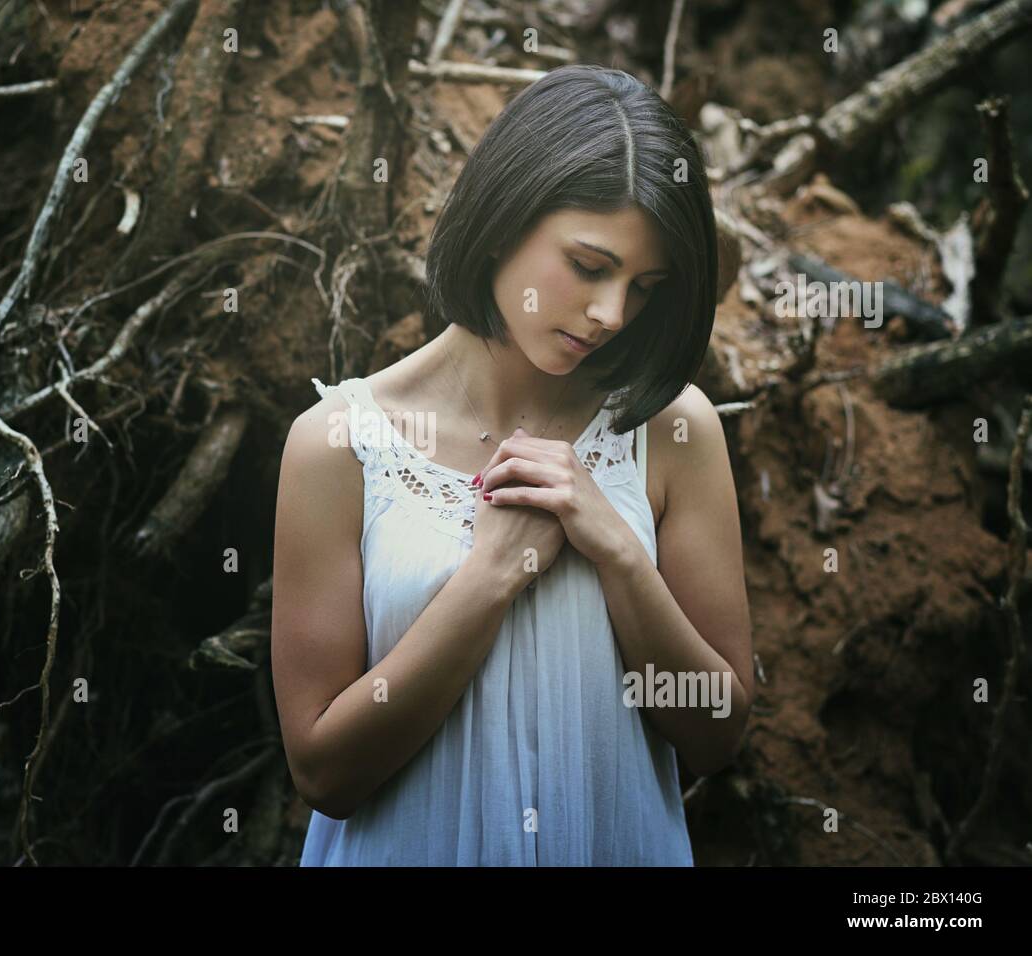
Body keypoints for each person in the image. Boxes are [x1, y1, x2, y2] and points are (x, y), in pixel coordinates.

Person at [270, 64, 753, 865]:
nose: (611, 314)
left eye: (645, 286)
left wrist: (619, 553)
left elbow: (718, 734)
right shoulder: (339, 443)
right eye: (590, 266)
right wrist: (490, 576)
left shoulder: (669, 432)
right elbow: (323, 771)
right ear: (503, 221)